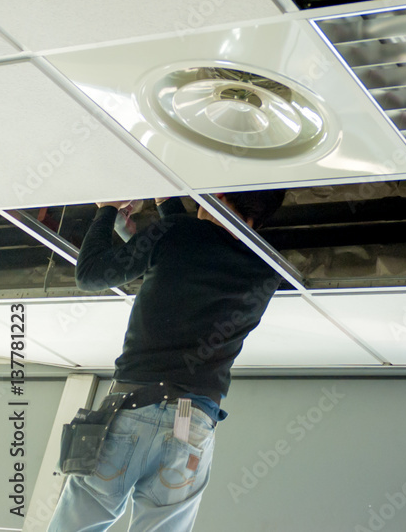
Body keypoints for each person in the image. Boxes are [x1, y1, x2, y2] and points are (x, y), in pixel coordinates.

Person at [48, 191, 284, 532]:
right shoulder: (268, 269)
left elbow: (91, 274)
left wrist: (107, 209)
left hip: (133, 407)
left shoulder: (178, 234)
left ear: (216, 193)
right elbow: (193, 250)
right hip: (192, 425)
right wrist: (162, 205)